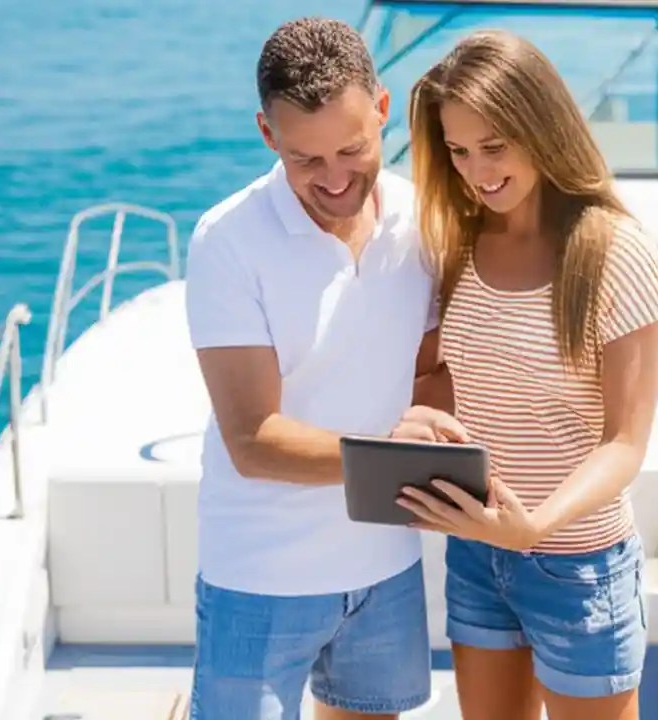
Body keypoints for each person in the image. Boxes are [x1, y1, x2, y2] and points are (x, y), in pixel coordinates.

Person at [390, 30, 658, 720]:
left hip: (577, 565)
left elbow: (624, 444)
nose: (477, 171)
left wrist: (534, 527)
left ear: (541, 127)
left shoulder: (619, 255)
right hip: (475, 551)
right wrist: (417, 419)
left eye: (494, 147)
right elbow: (443, 376)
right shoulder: (459, 246)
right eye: (459, 151)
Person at [183, 17, 458, 720]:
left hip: (386, 568)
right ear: (268, 134)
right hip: (260, 574)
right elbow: (253, 439)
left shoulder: (422, 217)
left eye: (352, 148)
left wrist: (430, 424)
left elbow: (430, 368)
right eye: (307, 159)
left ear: (384, 109)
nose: (336, 179)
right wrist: (393, 460)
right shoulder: (228, 241)